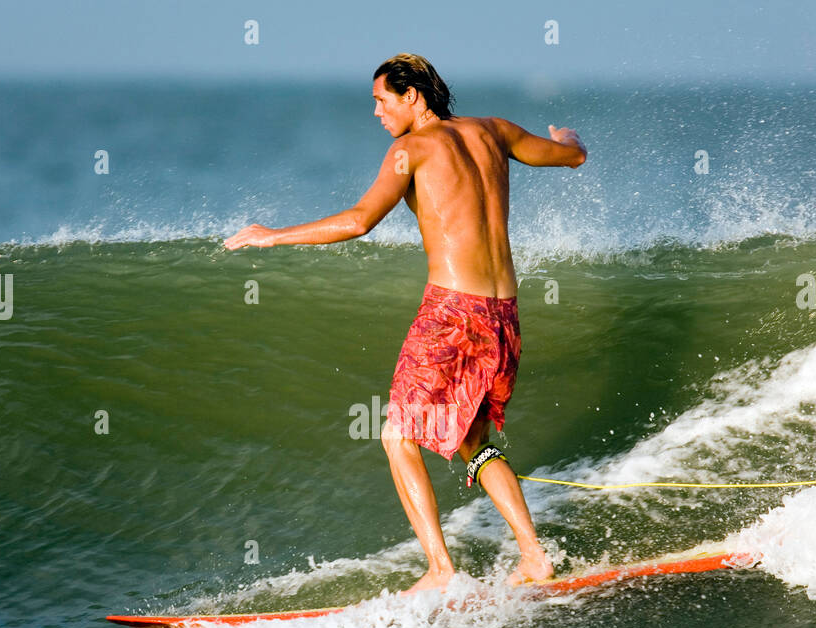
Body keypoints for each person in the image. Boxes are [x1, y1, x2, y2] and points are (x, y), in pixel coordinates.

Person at [225, 53, 587, 593]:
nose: (375, 112)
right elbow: (571, 157)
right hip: (503, 312)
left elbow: (359, 221)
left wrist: (271, 235)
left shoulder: (411, 150)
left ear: (412, 96)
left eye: (381, 100)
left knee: (397, 435)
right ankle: (534, 556)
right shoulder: (496, 131)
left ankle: (441, 570)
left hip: (451, 311)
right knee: (474, 441)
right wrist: (571, 138)